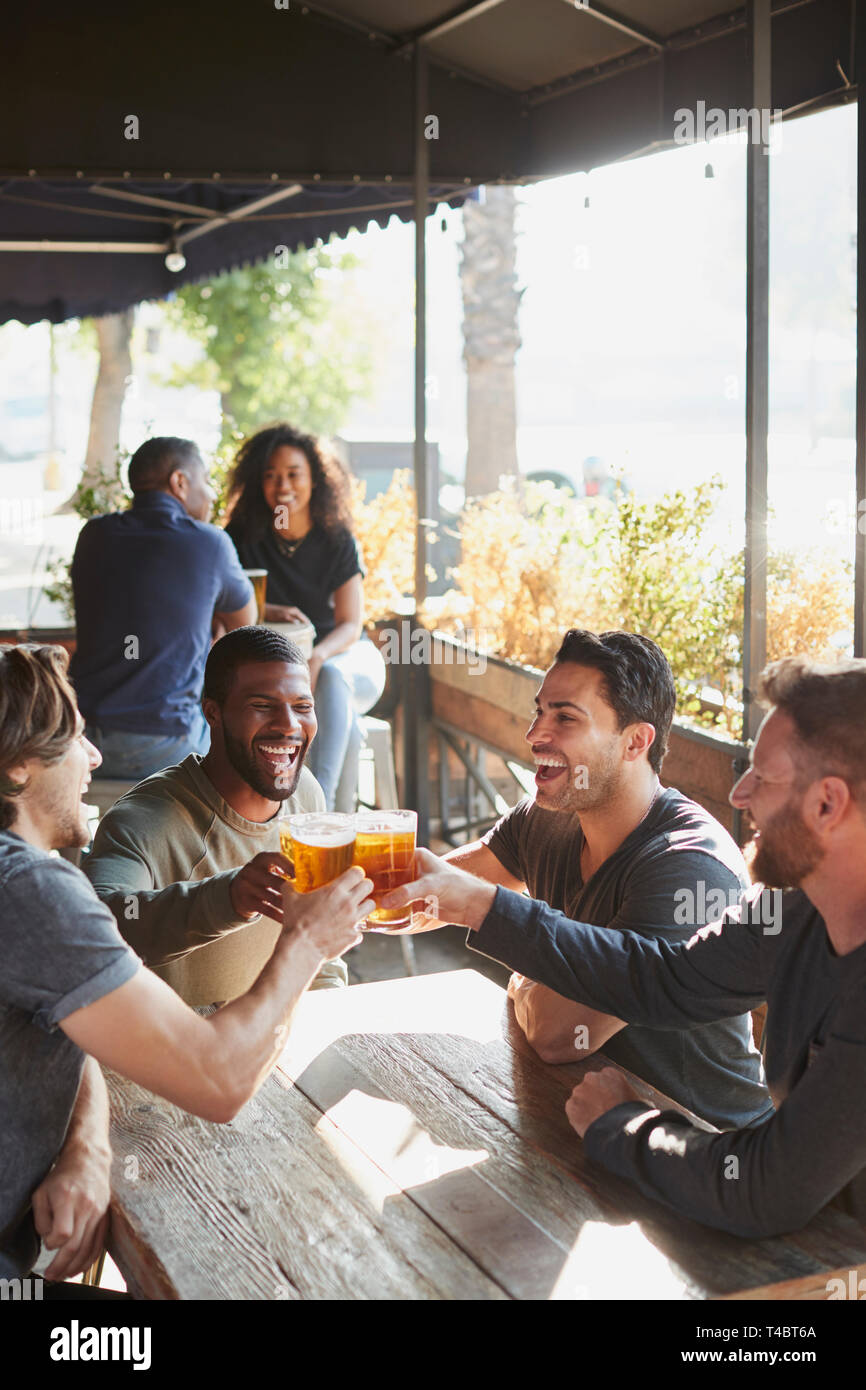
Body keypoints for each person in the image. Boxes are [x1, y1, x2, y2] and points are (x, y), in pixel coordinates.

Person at [383, 655, 866, 1239]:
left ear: (827, 803)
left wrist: (621, 1124)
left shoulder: (703, 868)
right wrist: (482, 906)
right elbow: (666, 980)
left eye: (762, 777)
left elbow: (763, 1190)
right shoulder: (794, 909)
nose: (739, 795)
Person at [0, 643, 373, 1285]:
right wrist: (306, 941)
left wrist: (86, 1144)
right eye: (77, 739)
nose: (94, 757)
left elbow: (70, 1012)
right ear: (18, 770)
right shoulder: (35, 894)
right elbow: (220, 1081)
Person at [440, 629, 770, 1130]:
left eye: (564, 717)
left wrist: (525, 979)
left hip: (704, 1147)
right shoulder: (548, 816)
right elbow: (442, 889)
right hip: (589, 1115)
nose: (535, 734)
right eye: (539, 711)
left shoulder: (687, 868)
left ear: (636, 741)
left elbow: (557, 1036)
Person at [83, 626, 347, 1005]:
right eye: (262, 706)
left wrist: (330, 1008)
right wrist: (229, 899)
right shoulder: (143, 820)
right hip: (177, 1057)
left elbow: (320, 945)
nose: (289, 725)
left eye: (303, 707)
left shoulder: (305, 792)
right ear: (214, 712)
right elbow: (97, 928)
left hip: (281, 1047)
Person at [70, 436, 256, 780]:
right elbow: (246, 627)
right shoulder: (209, 542)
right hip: (168, 742)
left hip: (85, 741)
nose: (212, 495)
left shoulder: (92, 535)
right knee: (245, 746)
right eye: (206, 482)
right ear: (180, 482)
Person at [224, 424, 385, 813]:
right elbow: (229, 607)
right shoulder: (244, 536)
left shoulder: (335, 538)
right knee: (335, 721)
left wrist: (316, 656)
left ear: (316, 480)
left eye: (294, 474)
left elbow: (350, 623)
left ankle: (317, 809)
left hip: (347, 656)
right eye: (270, 475)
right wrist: (269, 610)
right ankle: (318, 821)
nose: (283, 486)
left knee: (331, 678)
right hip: (282, 668)